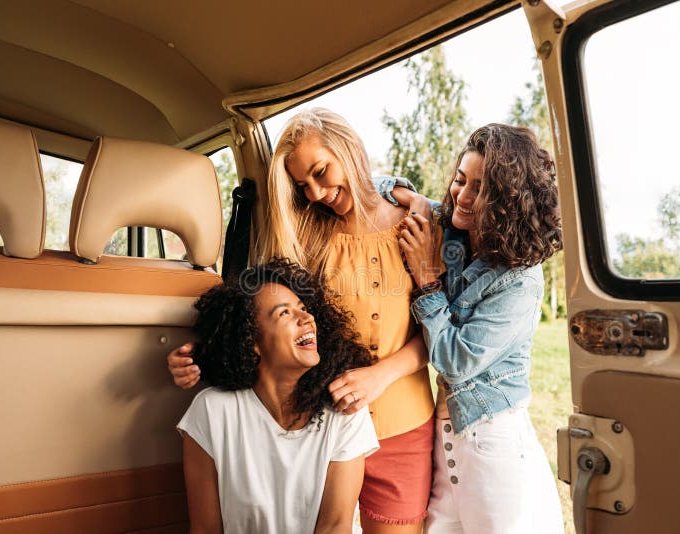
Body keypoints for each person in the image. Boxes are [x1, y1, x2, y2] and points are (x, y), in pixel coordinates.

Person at [170, 108, 435, 532]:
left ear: (347, 149)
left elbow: (436, 331)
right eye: (302, 185)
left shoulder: (416, 225)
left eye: (320, 172)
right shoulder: (307, 237)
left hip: (402, 424)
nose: (314, 192)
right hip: (321, 423)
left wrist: (380, 376)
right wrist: (201, 360)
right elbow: (265, 324)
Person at [398, 124, 565, 533]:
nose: (463, 196)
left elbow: (456, 361)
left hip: (493, 444)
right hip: (445, 439)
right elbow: (381, 187)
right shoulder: (453, 233)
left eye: (482, 188)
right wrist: (412, 196)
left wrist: (426, 279)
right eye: (460, 180)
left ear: (508, 202)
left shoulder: (521, 278)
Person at [177, 258, 379, 533]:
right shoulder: (211, 412)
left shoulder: (345, 411)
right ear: (252, 340)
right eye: (284, 313)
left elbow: (335, 526)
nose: (307, 318)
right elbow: (205, 529)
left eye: (304, 309)